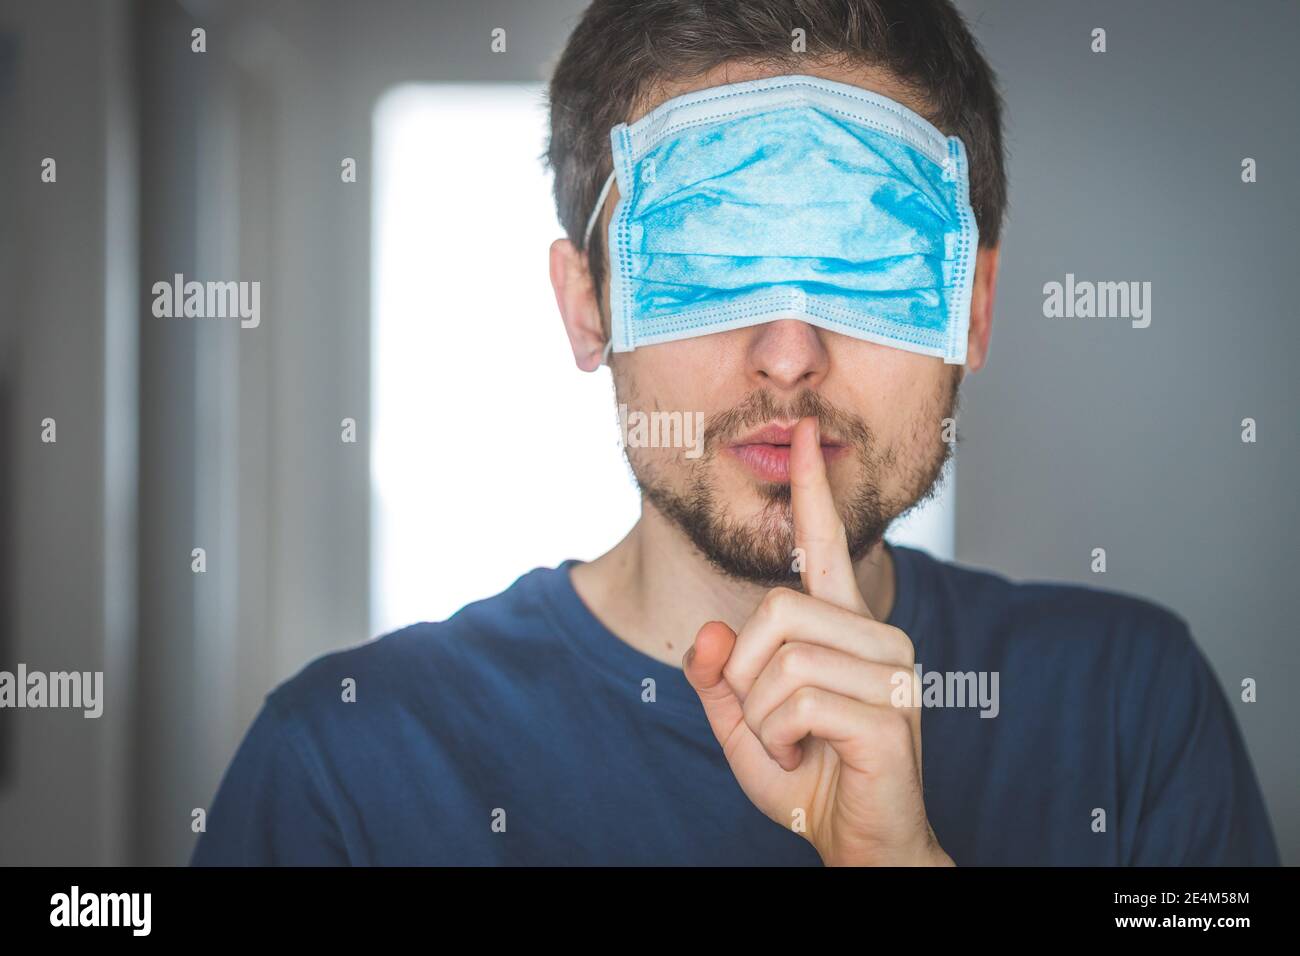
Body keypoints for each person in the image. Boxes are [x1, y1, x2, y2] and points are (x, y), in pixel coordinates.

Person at [192, 0, 1279, 866]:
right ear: (588, 307)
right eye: (709, 260)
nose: (790, 353)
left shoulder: (1133, 708)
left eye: (871, 258)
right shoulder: (344, 770)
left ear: (972, 312)